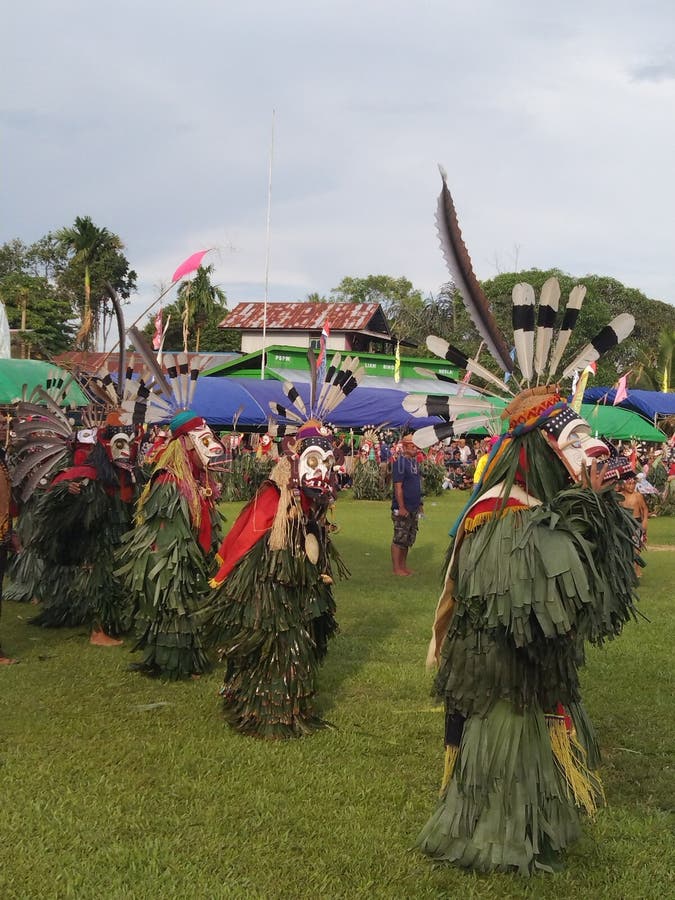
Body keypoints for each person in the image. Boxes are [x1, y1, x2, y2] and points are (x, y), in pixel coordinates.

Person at [391, 433, 423, 576]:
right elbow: (398, 487)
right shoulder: (400, 463)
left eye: (416, 446)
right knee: (399, 537)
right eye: (412, 446)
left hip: (414, 507)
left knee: (408, 538)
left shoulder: (415, 463)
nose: (416, 448)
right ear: (404, 447)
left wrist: (420, 504)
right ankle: (397, 568)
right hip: (403, 507)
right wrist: (401, 506)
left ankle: (404, 566)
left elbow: (417, 485)